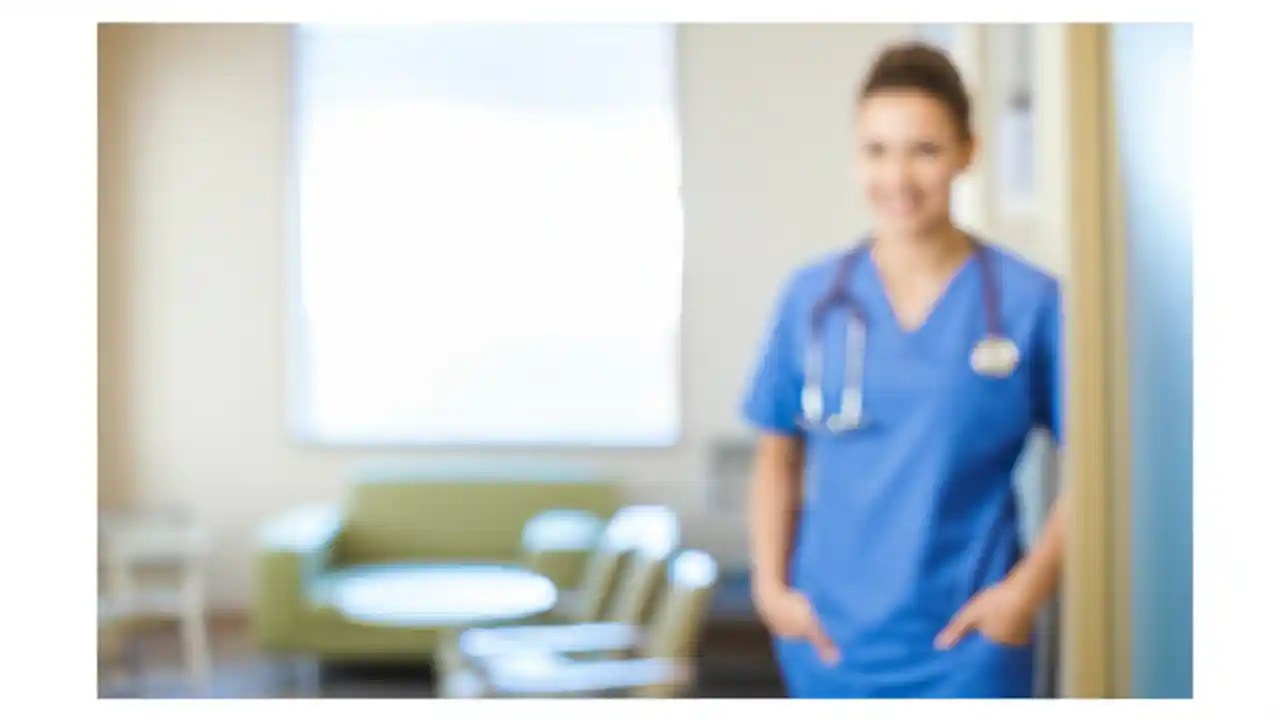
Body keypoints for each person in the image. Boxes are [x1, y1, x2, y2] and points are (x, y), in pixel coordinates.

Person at [742, 40, 1066, 699]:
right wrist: (772, 592)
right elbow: (777, 456)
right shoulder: (811, 298)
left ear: (967, 153)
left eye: (925, 150)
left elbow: (1097, 465)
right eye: (877, 150)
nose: (899, 178)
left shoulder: (1029, 302)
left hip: (969, 647)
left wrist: (1023, 596)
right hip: (828, 642)